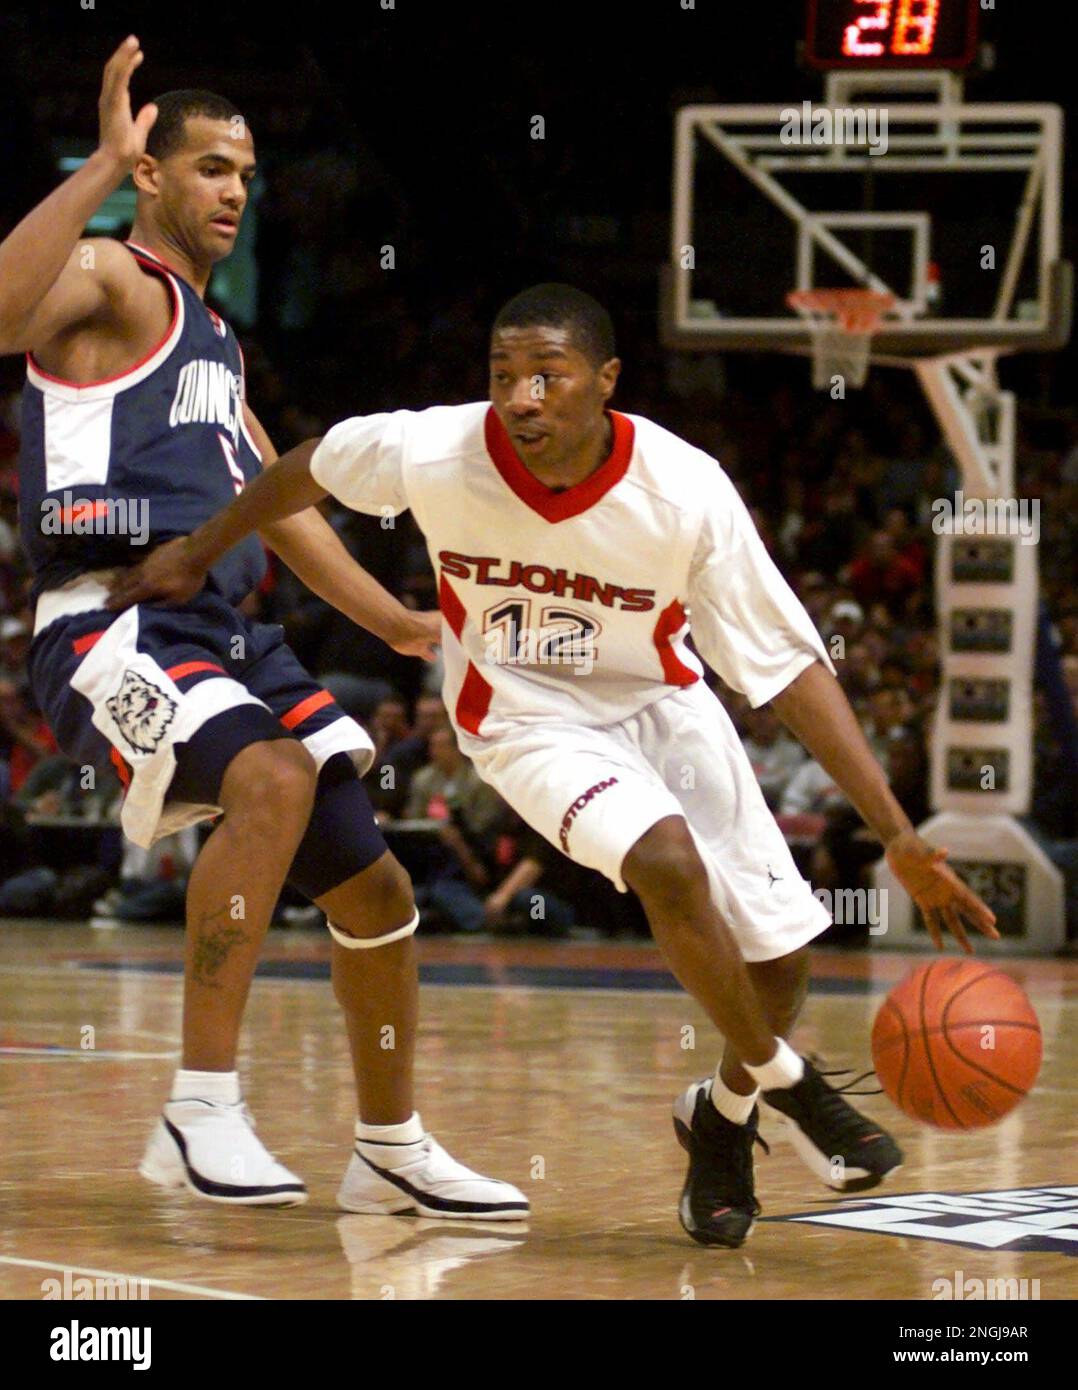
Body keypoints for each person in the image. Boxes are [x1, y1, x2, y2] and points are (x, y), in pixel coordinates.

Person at [109, 281, 999, 1247]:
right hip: (521, 712)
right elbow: (301, 471)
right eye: (504, 376)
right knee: (664, 861)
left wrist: (899, 837)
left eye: (548, 375)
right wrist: (198, 553)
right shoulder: (433, 448)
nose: (522, 397)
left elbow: (788, 668)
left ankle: (724, 1114)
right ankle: (795, 1086)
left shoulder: (684, 488)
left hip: (662, 701)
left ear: (606, 381)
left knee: (779, 965)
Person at [0, 38, 525, 1219]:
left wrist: (395, 619)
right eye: (210, 167)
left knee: (379, 890)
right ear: (154, 176)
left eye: (247, 171)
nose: (236, 189)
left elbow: (276, 512)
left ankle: (389, 1144)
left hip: (223, 634)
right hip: (106, 622)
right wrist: (96, 166)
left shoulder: (217, 341)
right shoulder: (104, 276)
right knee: (276, 777)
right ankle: (199, 1107)